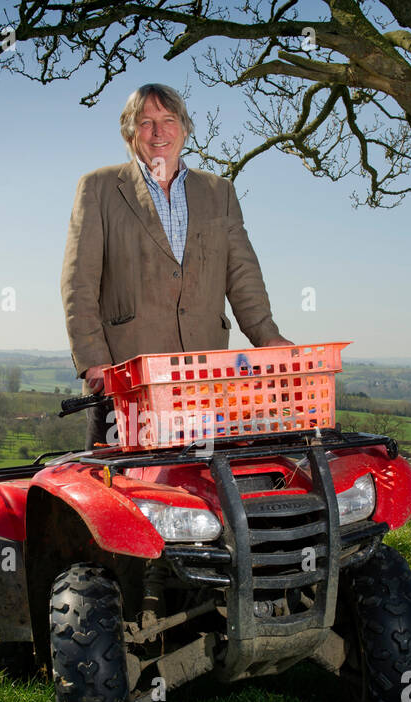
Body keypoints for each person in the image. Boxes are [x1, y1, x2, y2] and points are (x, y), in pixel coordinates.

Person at [60, 83, 293, 450]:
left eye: (168, 120)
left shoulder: (219, 192)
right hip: (127, 379)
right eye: (146, 122)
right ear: (129, 132)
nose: (158, 132)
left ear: (184, 129)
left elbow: (242, 273)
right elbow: (79, 283)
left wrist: (267, 336)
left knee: (205, 491)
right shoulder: (99, 188)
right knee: (121, 490)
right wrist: (93, 362)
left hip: (206, 379)